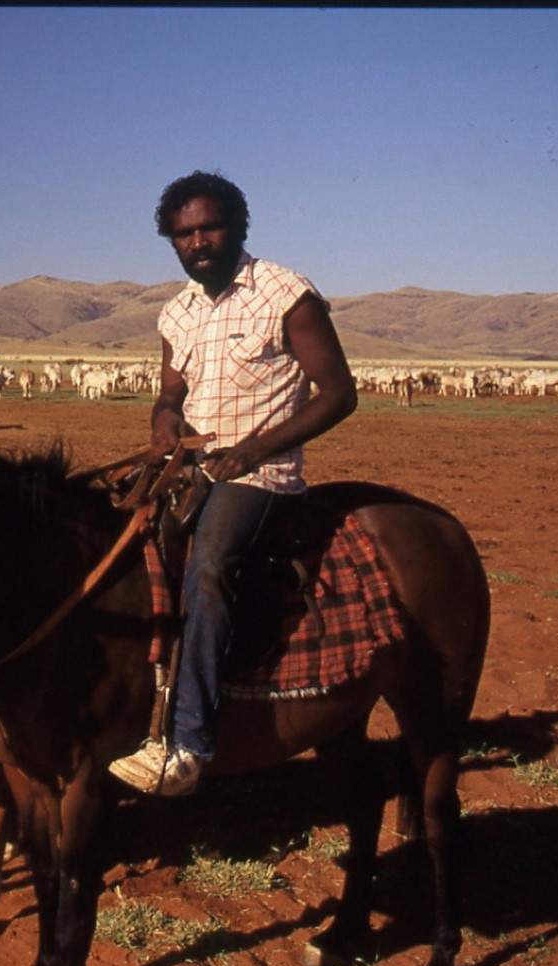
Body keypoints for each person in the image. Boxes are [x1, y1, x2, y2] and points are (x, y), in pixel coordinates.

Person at [107, 171, 357, 796]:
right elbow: (170, 394)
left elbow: (339, 394)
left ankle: (189, 740)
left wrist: (253, 451)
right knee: (117, 548)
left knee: (211, 564)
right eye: (184, 233)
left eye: (209, 227)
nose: (198, 242)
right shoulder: (177, 313)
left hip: (264, 475)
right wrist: (165, 425)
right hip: (189, 468)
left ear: (237, 227)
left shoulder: (285, 293)